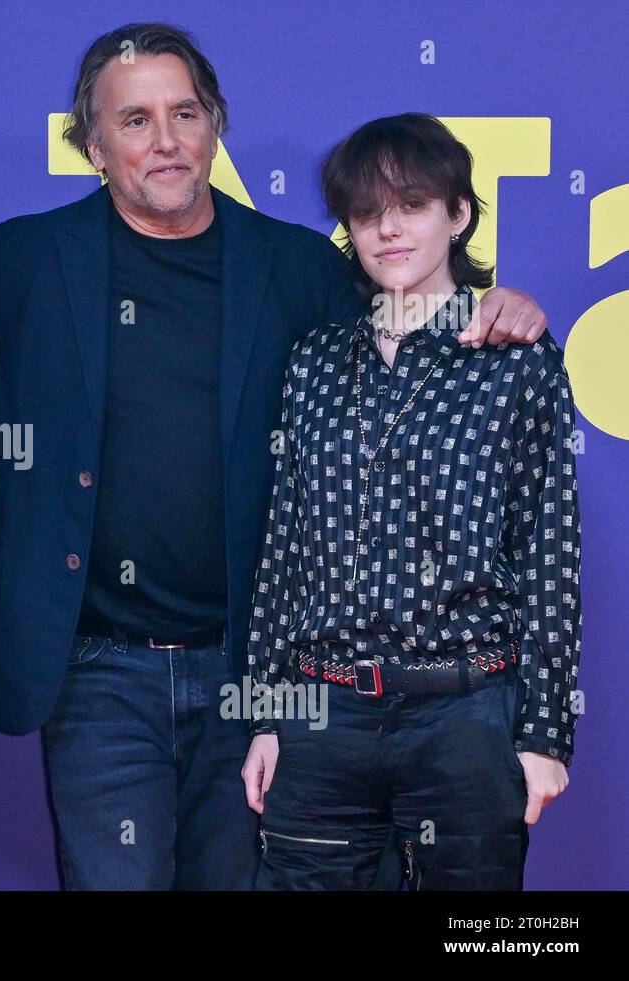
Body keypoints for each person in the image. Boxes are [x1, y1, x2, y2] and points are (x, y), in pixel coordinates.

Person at [0, 24, 548, 890]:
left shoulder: (300, 267)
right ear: (92, 144)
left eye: (185, 113)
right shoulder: (18, 263)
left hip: (256, 673)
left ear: (215, 127)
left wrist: (496, 305)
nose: (164, 141)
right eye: (133, 120)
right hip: (96, 674)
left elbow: (413, 302)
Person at [241, 113, 579, 890]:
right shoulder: (315, 362)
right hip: (321, 715)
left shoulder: (515, 359)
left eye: (413, 205)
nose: (388, 229)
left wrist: (544, 735)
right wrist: (263, 712)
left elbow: (549, 552)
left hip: (465, 716)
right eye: (366, 212)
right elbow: (283, 546)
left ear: (458, 214)